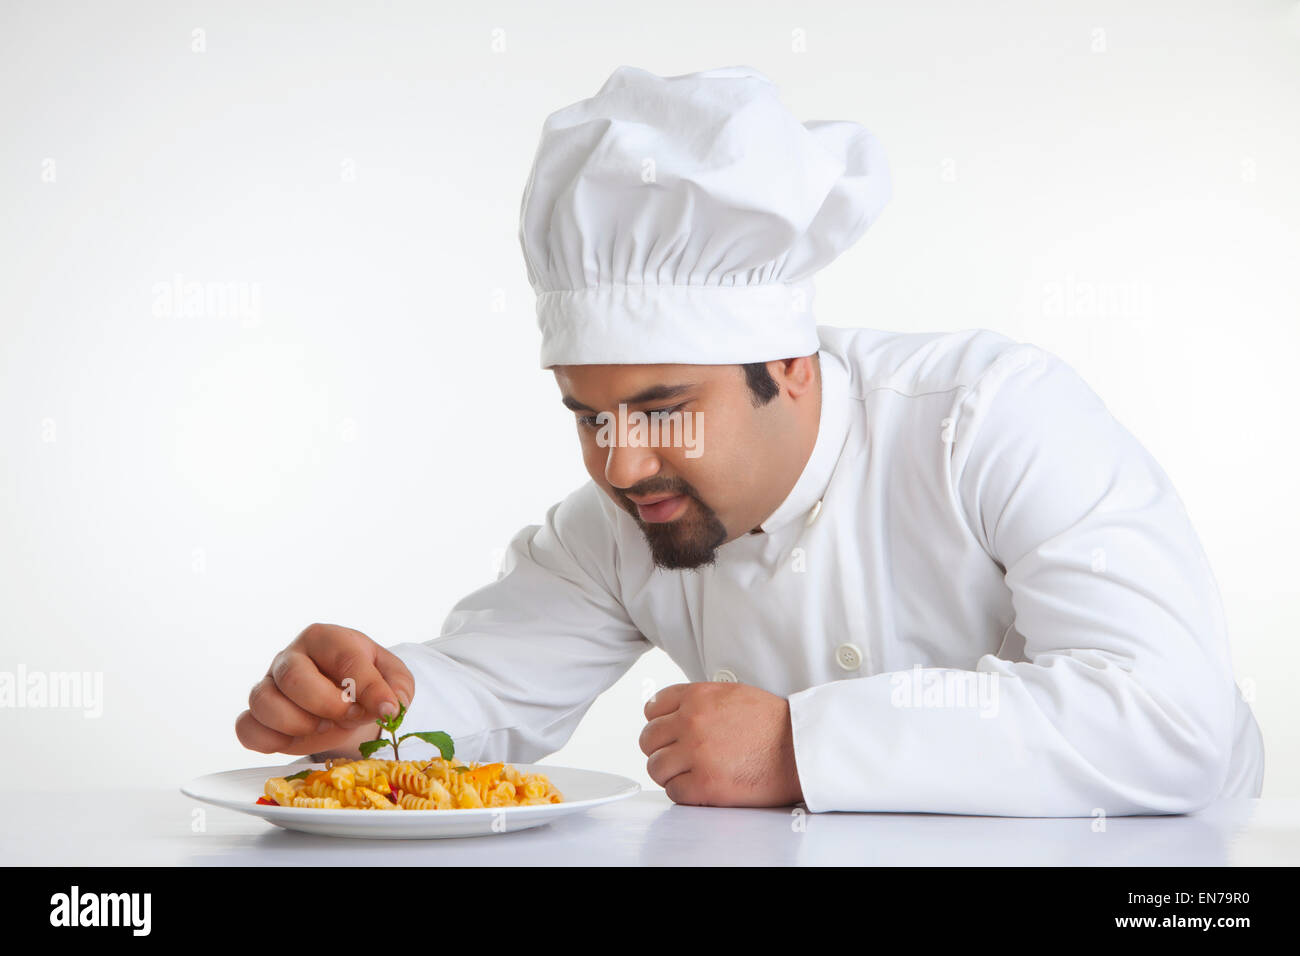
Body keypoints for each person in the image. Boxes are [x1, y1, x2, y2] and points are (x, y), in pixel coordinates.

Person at [234, 65, 1264, 815]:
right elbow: (486, 692)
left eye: (662, 404)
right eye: (588, 416)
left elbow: (1170, 722)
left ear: (793, 367)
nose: (621, 462)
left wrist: (797, 744)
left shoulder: (989, 417)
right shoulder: (623, 524)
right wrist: (369, 712)